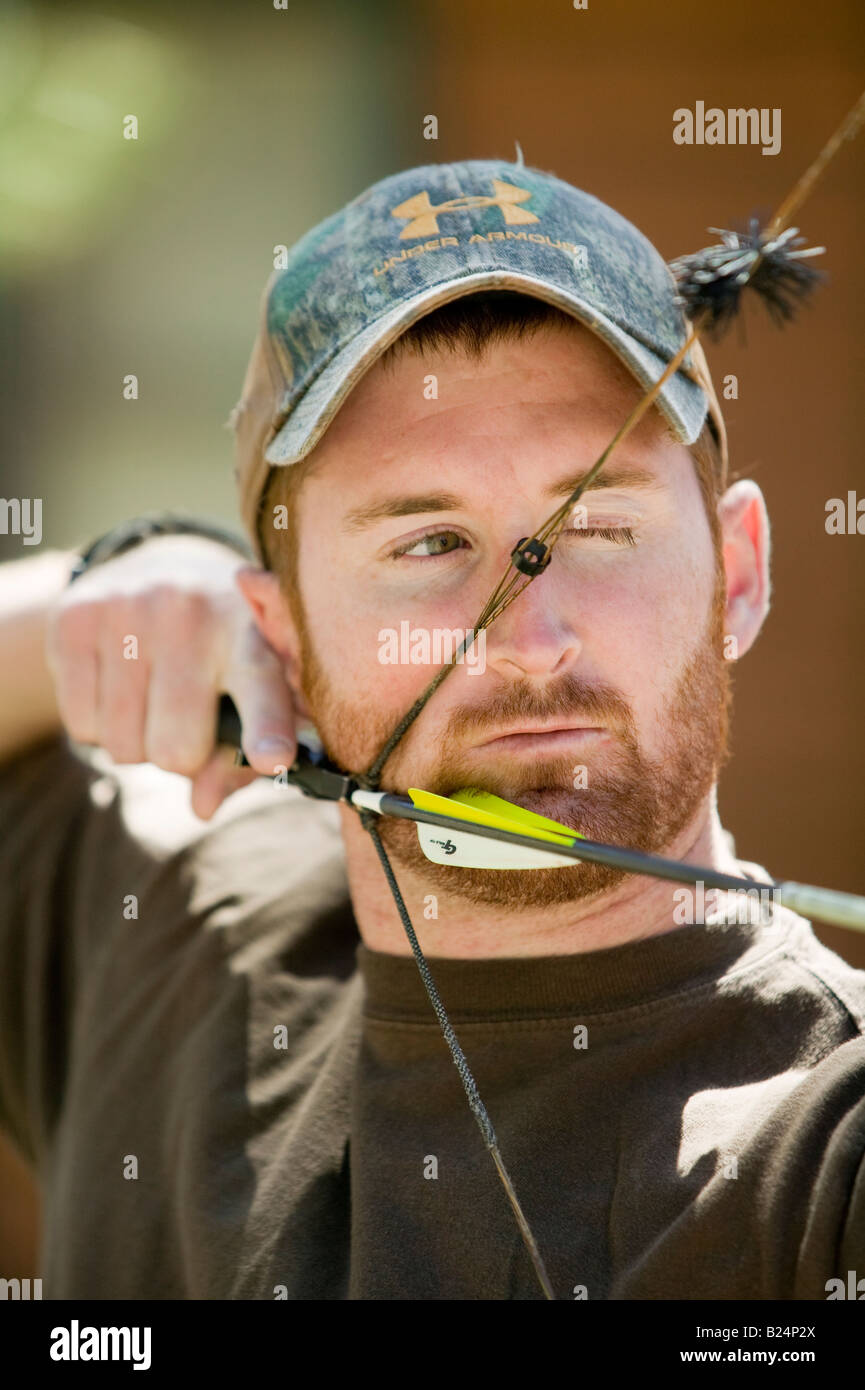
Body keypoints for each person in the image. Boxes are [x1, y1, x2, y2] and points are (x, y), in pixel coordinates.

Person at [1, 160, 863, 1301]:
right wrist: (106, 589)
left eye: (598, 527)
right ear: (282, 632)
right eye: (426, 545)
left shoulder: (821, 1148)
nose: (527, 636)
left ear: (736, 573)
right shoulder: (177, 923)